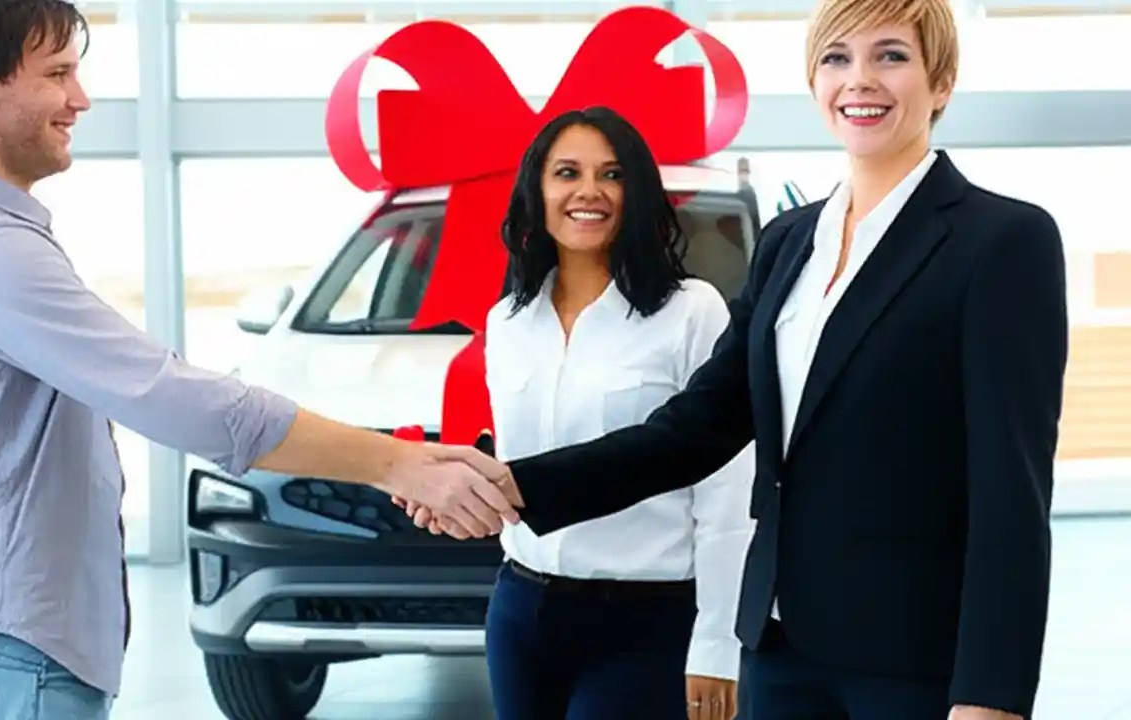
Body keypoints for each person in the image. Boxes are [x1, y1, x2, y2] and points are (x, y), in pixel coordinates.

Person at [409, 0, 1068, 718]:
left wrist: (991, 695)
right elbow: (694, 430)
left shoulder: (1002, 242)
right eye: (837, 59)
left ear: (940, 83)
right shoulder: (790, 242)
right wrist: (509, 486)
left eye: (891, 56)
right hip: (780, 650)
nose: (860, 81)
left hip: (912, 660)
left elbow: (1012, 491)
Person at [0, 1, 517, 717]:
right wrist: (397, 463)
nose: (80, 98)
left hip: (6, 651)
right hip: (8, 653)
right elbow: (172, 397)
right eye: (57, 73)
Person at [479, 107, 754, 720]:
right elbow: (512, 471)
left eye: (611, 174)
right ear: (537, 191)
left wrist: (716, 643)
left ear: (639, 191)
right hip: (520, 609)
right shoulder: (507, 322)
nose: (588, 192)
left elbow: (729, 496)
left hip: (647, 621)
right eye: (567, 172)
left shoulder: (692, 312)